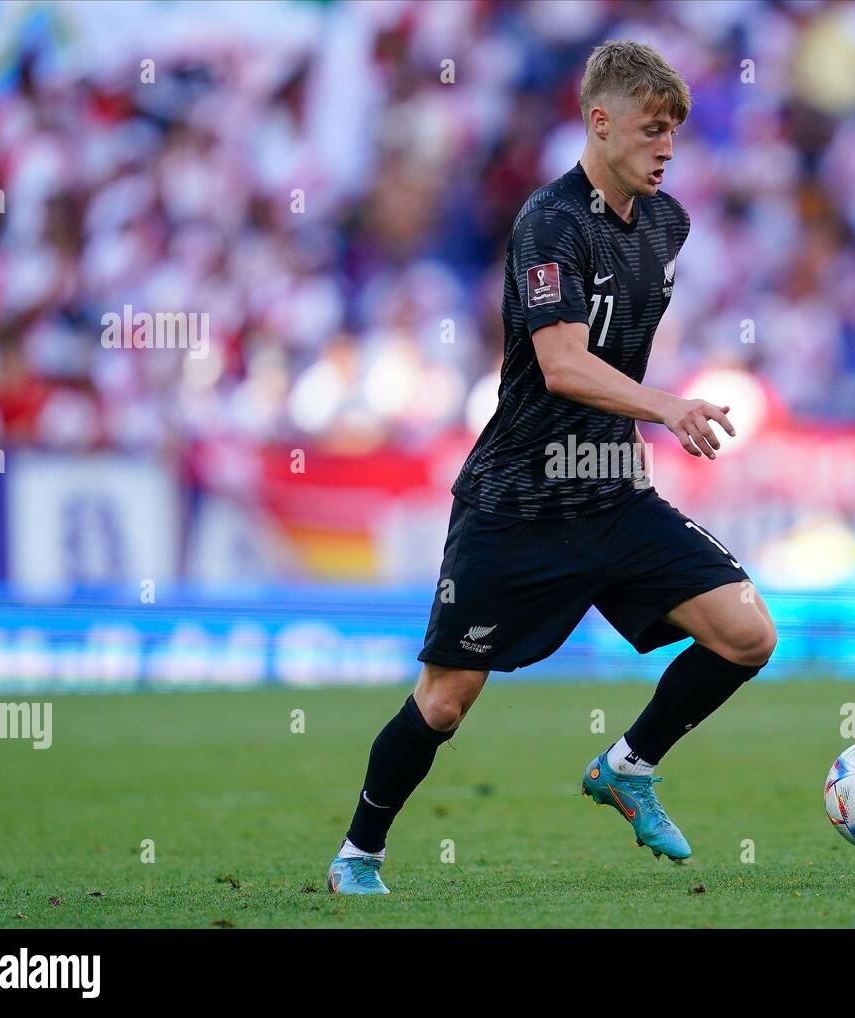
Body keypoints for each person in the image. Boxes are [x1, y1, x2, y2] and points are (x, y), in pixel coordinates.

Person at [328, 39, 777, 894]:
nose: (667, 148)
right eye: (651, 130)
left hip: (613, 492)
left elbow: (616, 350)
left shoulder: (669, 226)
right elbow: (565, 364)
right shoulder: (548, 221)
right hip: (517, 502)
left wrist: (650, 415)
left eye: (675, 132)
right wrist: (670, 406)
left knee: (747, 635)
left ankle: (629, 765)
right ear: (599, 122)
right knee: (446, 701)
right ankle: (359, 853)